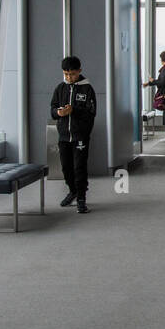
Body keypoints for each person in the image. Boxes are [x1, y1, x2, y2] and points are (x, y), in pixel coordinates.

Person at [50, 55, 97, 213]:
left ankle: (81, 198)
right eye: (66, 74)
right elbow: (52, 109)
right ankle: (73, 191)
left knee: (79, 167)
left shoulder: (87, 89)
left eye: (72, 74)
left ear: (79, 71)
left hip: (80, 137)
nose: (69, 77)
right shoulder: (60, 88)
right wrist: (59, 112)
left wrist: (74, 110)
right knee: (66, 167)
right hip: (64, 136)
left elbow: (91, 112)